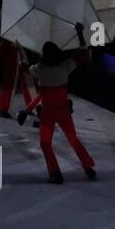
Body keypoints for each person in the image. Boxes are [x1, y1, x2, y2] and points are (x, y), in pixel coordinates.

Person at [26, 24, 97, 184]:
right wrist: (79, 33)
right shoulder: (65, 67)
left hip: (48, 114)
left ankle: (55, 172)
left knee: (45, 143)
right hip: (64, 111)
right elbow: (83, 52)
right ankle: (88, 167)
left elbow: (27, 68)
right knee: (74, 140)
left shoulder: (39, 69)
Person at [0, 37, 39, 120]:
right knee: (11, 80)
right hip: (11, 45)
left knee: (27, 77)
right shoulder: (6, 43)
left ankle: (32, 107)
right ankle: (2, 108)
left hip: (17, 45)